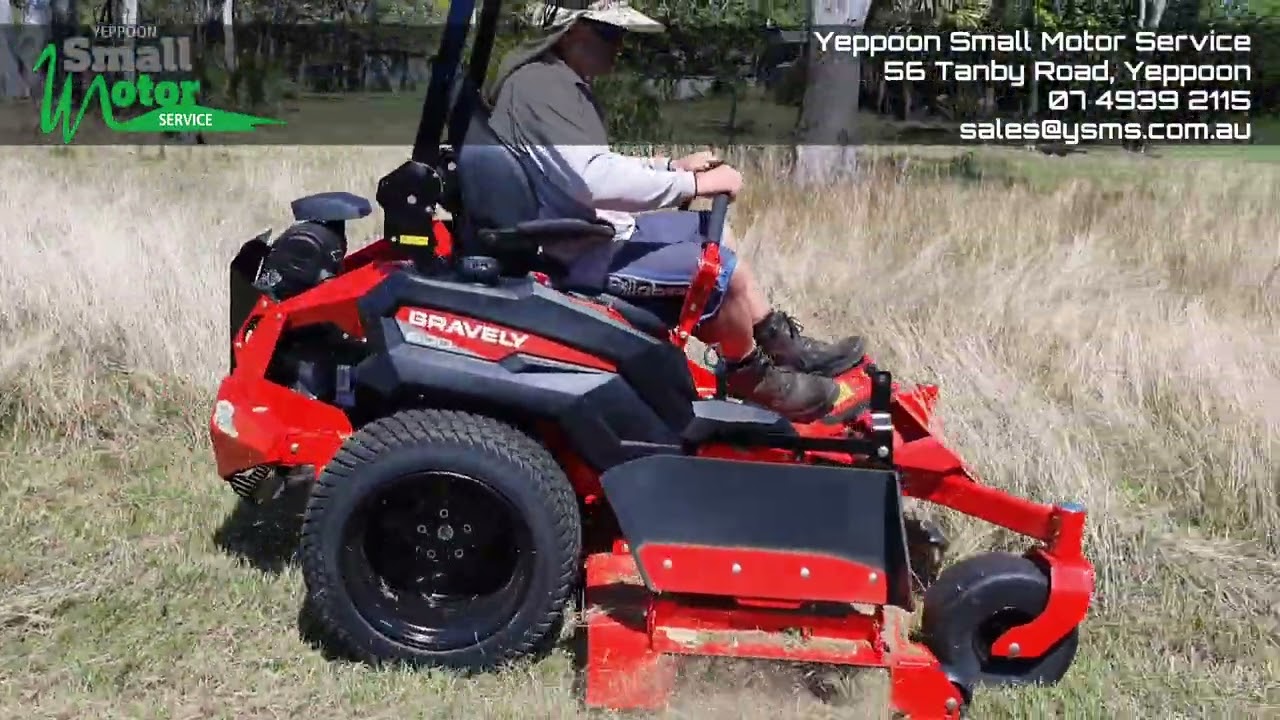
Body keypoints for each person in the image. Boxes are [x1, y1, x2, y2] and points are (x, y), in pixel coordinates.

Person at [481, 0, 867, 423]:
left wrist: (668, 168)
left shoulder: (553, 82)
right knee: (723, 270)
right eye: (609, 33)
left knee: (714, 234)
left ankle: (783, 348)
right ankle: (750, 377)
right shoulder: (544, 89)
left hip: (588, 231)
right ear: (571, 31)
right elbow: (593, 182)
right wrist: (693, 184)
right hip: (580, 252)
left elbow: (591, 166)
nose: (620, 44)